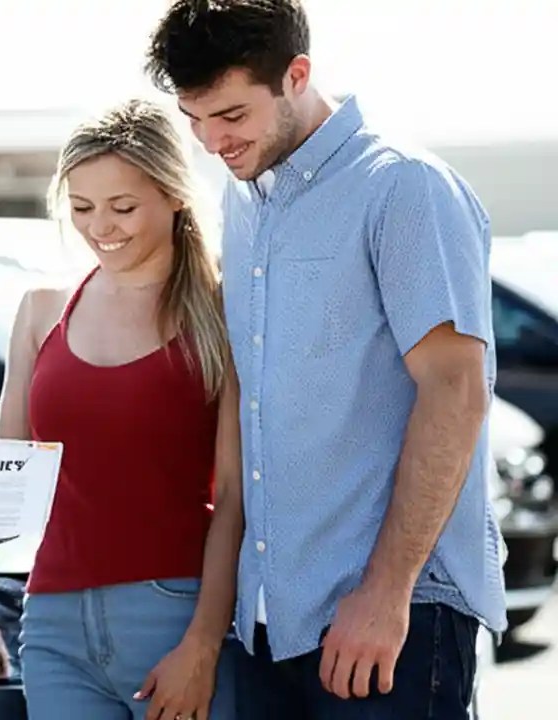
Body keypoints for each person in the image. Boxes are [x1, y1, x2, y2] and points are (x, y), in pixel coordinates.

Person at [144, 2, 506, 718]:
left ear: (297, 75)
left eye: (232, 116)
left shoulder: (402, 187)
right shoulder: (246, 196)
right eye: (195, 119)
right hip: (273, 623)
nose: (214, 140)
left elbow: (456, 392)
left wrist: (386, 591)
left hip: (390, 620)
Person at [0, 97, 243, 720]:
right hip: (52, 624)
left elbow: (237, 496)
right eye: (81, 208)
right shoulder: (41, 311)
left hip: (174, 613)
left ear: (174, 195)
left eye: (123, 207)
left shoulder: (223, 314)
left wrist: (204, 644)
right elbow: (3, 482)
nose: (100, 226)